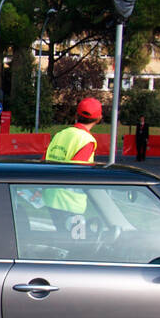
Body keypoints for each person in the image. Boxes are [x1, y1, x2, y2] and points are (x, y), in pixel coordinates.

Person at [43, 98, 102, 230]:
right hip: (71, 203)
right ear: (98, 118)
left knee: (60, 238)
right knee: (76, 244)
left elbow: (44, 160)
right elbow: (76, 173)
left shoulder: (60, 134)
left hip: (50, 198)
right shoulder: (87, 140)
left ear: (76, 115)